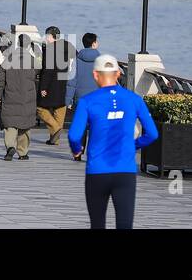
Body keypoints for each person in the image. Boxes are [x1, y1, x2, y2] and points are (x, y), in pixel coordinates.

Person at [66, 54, 159, 229]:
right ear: (117, 74)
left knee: (97, 224)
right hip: (125, 171)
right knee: (124, 224)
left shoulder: (87, 101)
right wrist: (134, 145)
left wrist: (76, 149)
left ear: (95, 75)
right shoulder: (134, 99)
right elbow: (152, 134)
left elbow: (73, 135)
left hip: (97, 171)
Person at [0, 34, 39, 161]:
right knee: (25, 125)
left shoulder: (8, 59)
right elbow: (37, 72)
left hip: (10, 95)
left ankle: (10, 146)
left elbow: (0, 80)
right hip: (27, 96)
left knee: (10, 124)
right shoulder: (32, 60)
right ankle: (23, 152)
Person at [37, 26, 74, 146]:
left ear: (50, 36)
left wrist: (43, 87)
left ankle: (56, 129)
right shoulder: (68, 46)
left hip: (51, 83)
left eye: (46, 36)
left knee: (40, 109)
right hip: (64, 82)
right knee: (60, 109)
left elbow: (47, 70)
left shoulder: (49, 49)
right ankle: (55, 139)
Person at [66, 32, 100, 114]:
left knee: (82, 121)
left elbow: (71, 82)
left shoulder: (76, 60)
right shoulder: (101, 61)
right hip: (97, 97)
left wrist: (68, 101)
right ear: (94, 44)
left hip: (80, 98)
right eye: (96, 41)